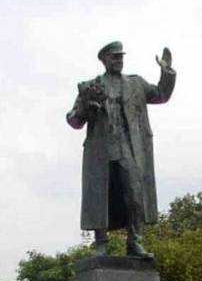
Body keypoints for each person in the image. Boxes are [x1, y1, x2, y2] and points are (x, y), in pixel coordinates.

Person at [66, 41, 176, 258]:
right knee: (101, 197)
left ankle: (135, 241)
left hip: (130, 150)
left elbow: (161, 95)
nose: (119, 60)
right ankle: (101, 243)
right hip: (102, 151)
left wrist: (167, 72)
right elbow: (73, 120)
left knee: (135, 196)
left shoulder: (136, 84)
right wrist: (87, 108)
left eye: (121, 56)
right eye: (114, 57)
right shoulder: (90, 86)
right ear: (104, 60)